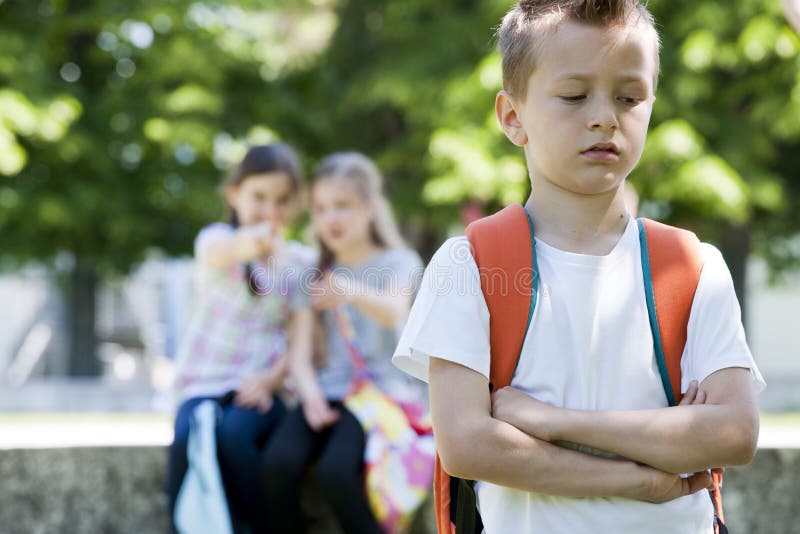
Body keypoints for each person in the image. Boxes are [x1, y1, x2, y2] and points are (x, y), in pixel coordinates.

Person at [392, 1, 765, 533]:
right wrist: (642, 476)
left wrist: (548, 421)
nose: (605, 117)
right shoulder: (469, 263)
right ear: (512, 117)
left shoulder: (694, 266)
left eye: (629, 97)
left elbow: (734, 434)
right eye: (574, 96)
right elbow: (468, 446)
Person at [261, 152, 424, 533]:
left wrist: (349, 290)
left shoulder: (400, 261)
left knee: (336, 472)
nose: (330, 218)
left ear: (369, 208)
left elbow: (392, 311)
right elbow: (300, 354)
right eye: (320, 209)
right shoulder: (313, 272)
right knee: (277, 465)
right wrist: (310, 396)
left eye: (342, 206)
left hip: (379, 396)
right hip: (326, 391)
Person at [166, 144, 315, 533]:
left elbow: (301, 338)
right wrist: (254, 242)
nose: (270, 210)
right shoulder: (217, 239)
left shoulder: (298, 262)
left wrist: (270, 380)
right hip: (203, 380)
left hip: (261, 385)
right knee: (187, 437)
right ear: (235, 194)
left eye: (282, 200)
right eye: (259, 197)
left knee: (235, 436)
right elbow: (220, 253)